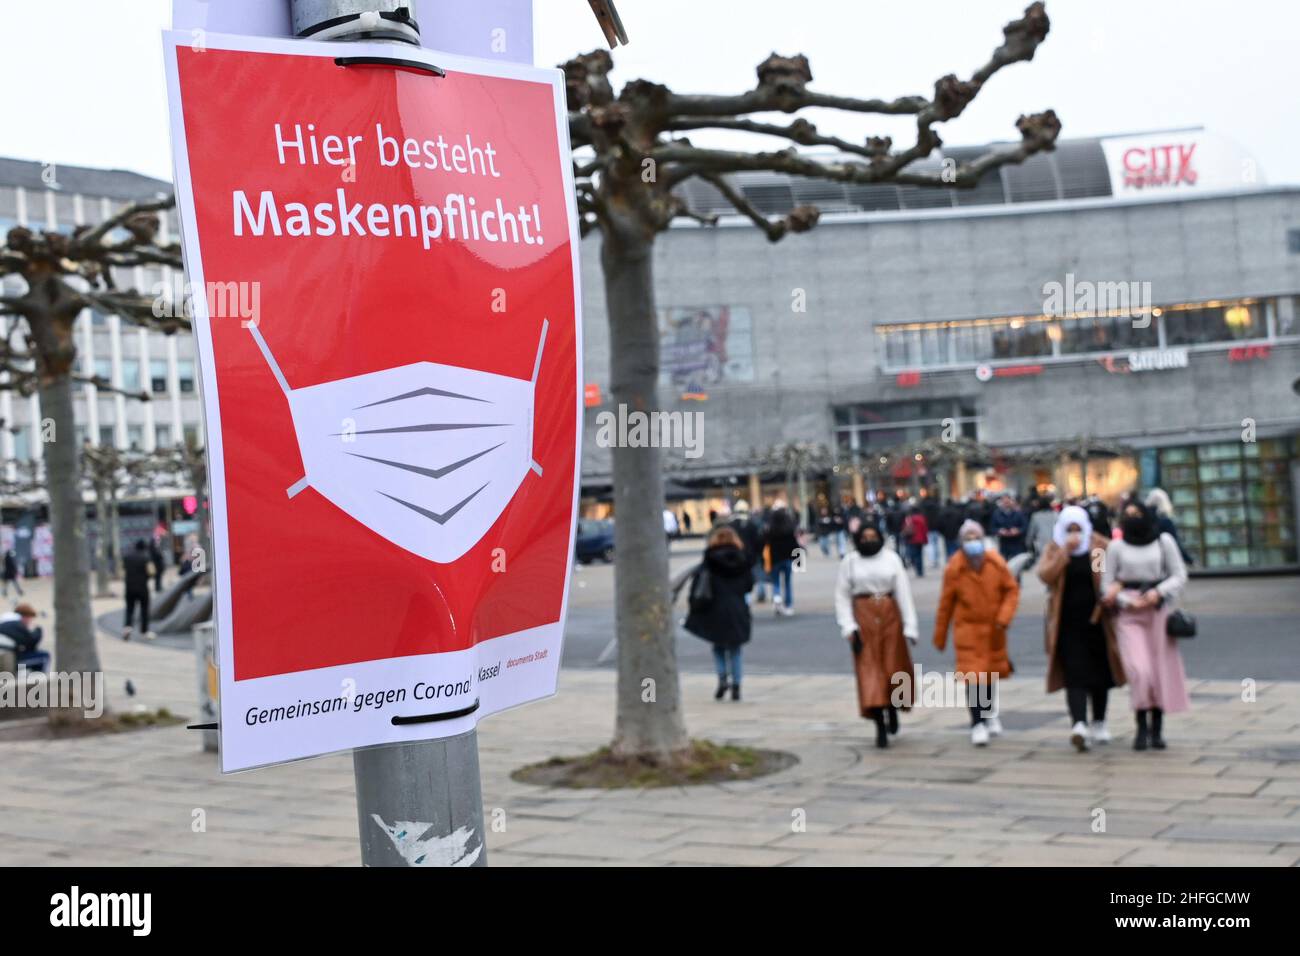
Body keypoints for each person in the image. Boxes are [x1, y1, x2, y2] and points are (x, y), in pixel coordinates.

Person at [1102, 501, 1191, 751]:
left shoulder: (1163, 541)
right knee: (1139, 670)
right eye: (1127, 515)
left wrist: (1158, 593)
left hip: (1158, 611)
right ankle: (1140, 722)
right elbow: (1106, 583)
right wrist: (1123, 599)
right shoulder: (1116, 546)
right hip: (1128, 613)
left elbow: (1179, 574)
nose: (1132, 519)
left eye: (1137, 514)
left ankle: (1156, 728)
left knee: (1159, 670)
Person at [1037, 505, 1126, 751]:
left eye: (1078, 528)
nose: (1075, 534)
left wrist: (1109, 594)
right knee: (1074, 673)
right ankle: (1078, 723)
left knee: (1099, 673)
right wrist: (1065, 552)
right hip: (1066, 622)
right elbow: (1045, 575)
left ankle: (1099, 721)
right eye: (1069, 529)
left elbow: (1106, 576)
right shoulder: (1056, 547)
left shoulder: (1097, 546)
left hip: (1097, 620)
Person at [933, 519, 1019, 746]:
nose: (972, 543)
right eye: (968, 539)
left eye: (976, 538)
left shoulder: (996, 563)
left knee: (989, 676)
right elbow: (946, 603)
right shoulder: (955, 567)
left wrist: (1004, 617)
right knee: (973, 677)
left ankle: (990, 714)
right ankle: (977, 722)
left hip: (993, 629)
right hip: (967, 629)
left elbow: (1011, 591)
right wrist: (940, 634)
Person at [835, 523, 918, 748]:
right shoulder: (849, 563)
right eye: (865, 537)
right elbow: (842, 596)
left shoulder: (891, 559)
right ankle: (878, 722)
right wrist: (849, 627)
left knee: (894, 667)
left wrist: (910, 626)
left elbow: (903, 591)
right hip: (863, 615)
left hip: (890, 613)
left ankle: (893, 708)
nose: (869, 540)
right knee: (870, 671)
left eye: (873, 536)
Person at [684, 526, 753, 702]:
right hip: (737, 607)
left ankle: (722, 679)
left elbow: (699, 583)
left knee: (718, 647)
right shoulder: (742, 558)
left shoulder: (709, 559)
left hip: (715, 608)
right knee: (736, 649)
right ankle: (737, 685)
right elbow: (748, 585)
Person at [763, 499, 801, 617]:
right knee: (788, 582)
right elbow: (795, 544)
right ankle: (788, 605)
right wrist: (798, 561)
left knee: (776, 582)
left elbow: (765, 542)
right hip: (788, 558)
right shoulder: (789, 527)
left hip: (775, 558)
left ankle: (777, 597)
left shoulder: (770, 528)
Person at [728, 500, 763, 605]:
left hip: (736, 556)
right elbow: (758, 541)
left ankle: (744, 598)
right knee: (753, 576)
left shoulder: (731, 525)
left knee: (739, 577)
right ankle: (753, 595)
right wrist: (758, 553)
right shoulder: (751, 524)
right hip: (750, 556)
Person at [1145, 488, 1191, 565]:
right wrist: (1189, 560)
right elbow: (1175, 544)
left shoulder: (1144, 519)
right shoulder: (1165, 521)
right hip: (1162, 561)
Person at [122, 539, 155, 641]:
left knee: (129, 608)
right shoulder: (146, 558)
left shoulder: (127, 557)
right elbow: (152, 572)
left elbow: (123, 569)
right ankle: (144, 632)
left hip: (129, 588)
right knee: (144, 610)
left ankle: (127, 627)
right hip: (142, 588)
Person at [0, 602, 48, 672]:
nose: (30, 621)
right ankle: (43, 681)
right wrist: (38, 630)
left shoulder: (5, 621)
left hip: (7, 655)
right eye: (30, 618)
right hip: (7, 658)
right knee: (44, 656)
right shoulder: (17, 624)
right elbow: (31, 642)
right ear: (25, 616)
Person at [990, 494, 1028, 558]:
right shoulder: (996, 514)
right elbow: (992, 528)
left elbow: (1025, 526)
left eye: (1008, 501)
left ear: (1012, 501)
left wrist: (1018, 530)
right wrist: (999, 531)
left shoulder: (1019, 513)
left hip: (1016, 543)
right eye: (1004, 502)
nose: (1006, 503)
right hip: (1003, 543)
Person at [1024, 494, 1058, 562]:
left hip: (1041, 545)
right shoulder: (1055, 514)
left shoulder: (1036, 516)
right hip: (1054, 543)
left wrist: (1028, 543)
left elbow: (1031, 532)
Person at [900, 506, 929, 577]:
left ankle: (917, 568)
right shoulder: (922, 518)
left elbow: (904, 527)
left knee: (913, 554)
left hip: (912, 539)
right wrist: (925, 539)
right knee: (919, 555)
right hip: (920, 539)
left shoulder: (909, 519)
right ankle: (920, 571)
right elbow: (925, 529)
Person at [921, 494, 942, 570]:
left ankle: (933, 560)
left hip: (929, 528)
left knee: (930, 545)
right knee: (936, 544)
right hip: (936, 528)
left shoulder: (924, 509)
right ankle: (936, 560)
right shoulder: (936, 507)